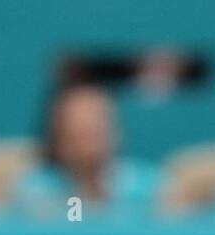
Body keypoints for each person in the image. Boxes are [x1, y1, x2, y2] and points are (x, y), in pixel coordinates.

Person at [10, 82, 156, 219]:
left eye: (96, 131)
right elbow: (73, 223)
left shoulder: (150, 187)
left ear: (117, 132)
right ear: (57, 138)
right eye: (79, 134)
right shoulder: (35, 191)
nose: (89, 146)